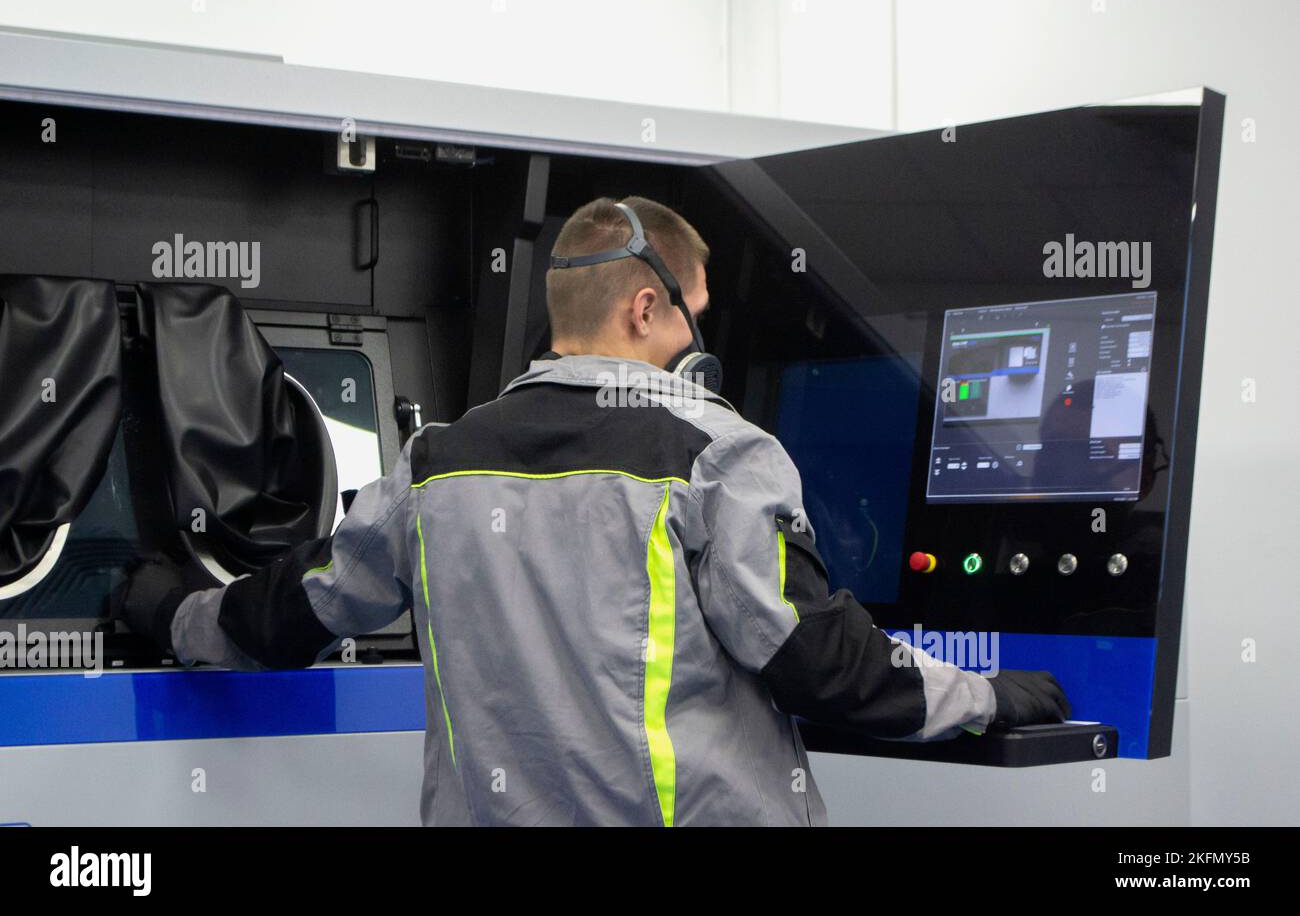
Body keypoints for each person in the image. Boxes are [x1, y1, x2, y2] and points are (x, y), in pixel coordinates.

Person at [116, 196, 1070, 826]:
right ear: (646, 309)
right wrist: (988, 698)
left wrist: (167, 612)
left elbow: (289, 613)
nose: (704, 344)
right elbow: (824, 663)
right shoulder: (718, 454)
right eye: (697, 316)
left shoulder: (436, 466)